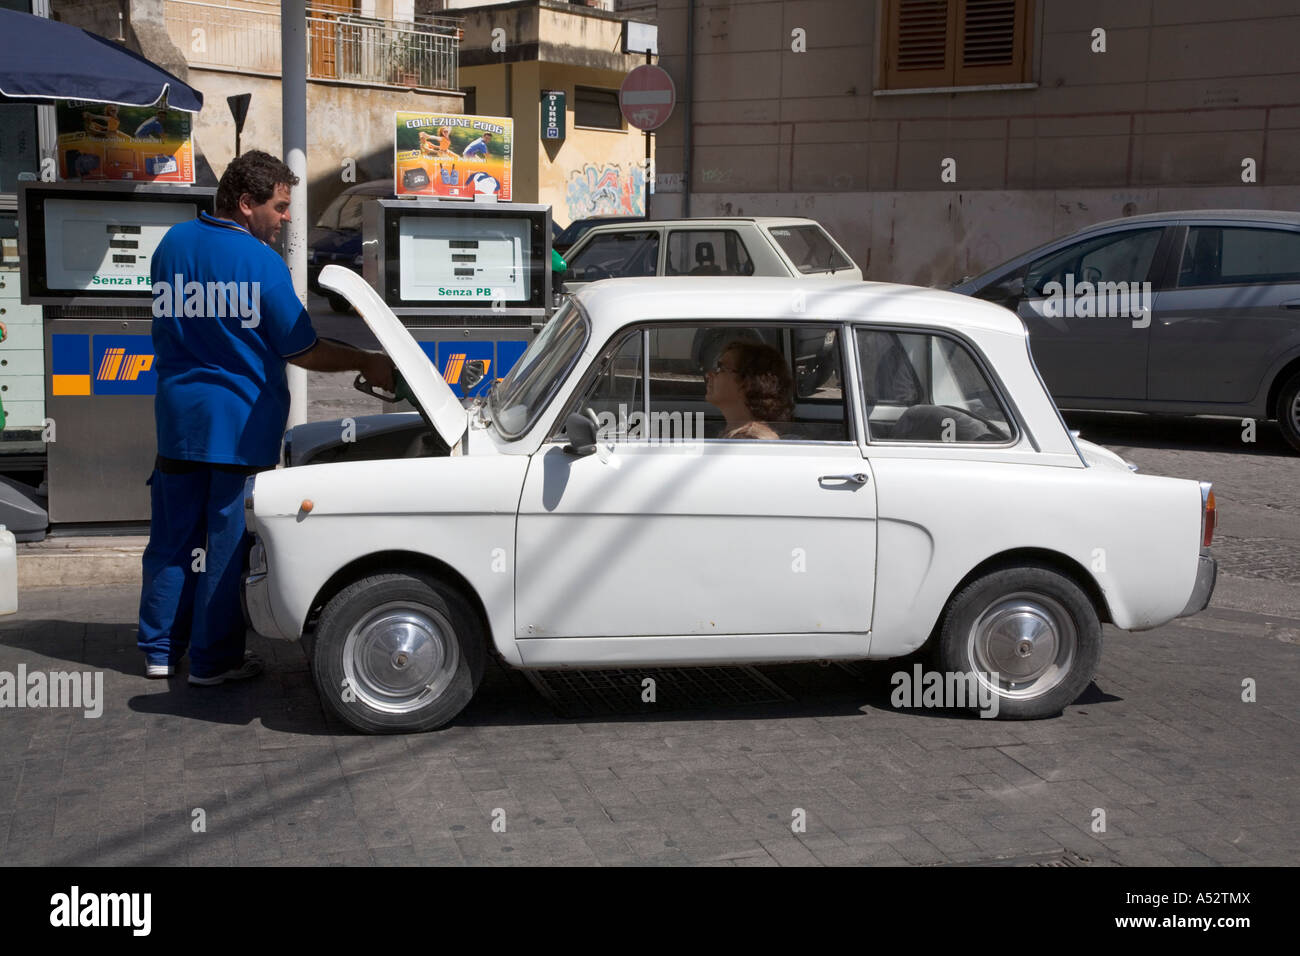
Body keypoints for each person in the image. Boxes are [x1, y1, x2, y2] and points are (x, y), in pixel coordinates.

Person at [138, 150, 395, 685]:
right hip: (238, 428)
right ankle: (213, 662)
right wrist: (365, 360)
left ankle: (159, 650)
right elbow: (301, 348)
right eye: (279, 208)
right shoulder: (259, 264)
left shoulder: (171, 247)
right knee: (226, 546)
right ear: (245, 203)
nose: (285, 219)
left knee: (171, 540)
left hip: (177, 421)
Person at [704, 339, 793, 439]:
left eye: (721, 369)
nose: (709, 375)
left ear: (748, 382)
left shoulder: (753, 441)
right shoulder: (739, 435)